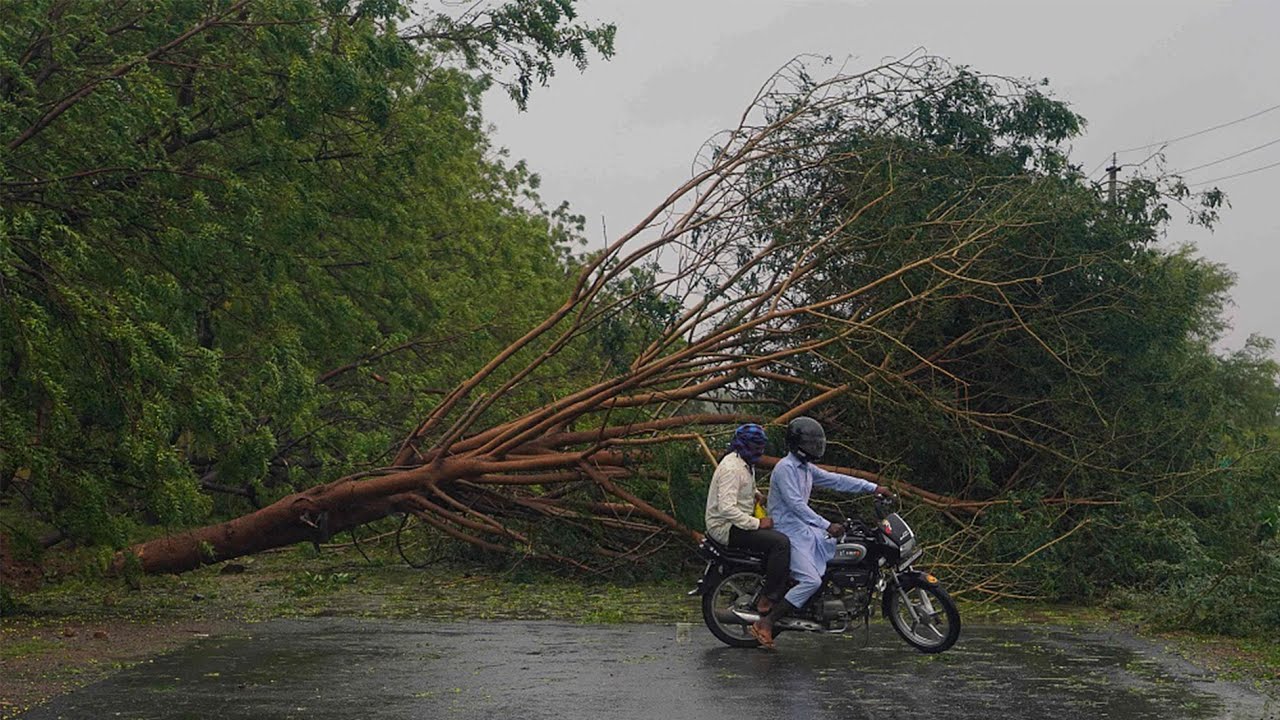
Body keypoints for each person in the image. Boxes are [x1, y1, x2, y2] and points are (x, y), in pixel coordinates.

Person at [761, 416, 889, 645]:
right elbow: (796, 505)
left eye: (817, 443)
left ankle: (824, 602)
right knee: (811, 581)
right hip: (788, 530)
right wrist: (826, 524)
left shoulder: (806, 469)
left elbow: (837, 480)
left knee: (840, 550)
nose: (815, 447)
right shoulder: (785, 468)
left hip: (803, 528)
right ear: (797, 444)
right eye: (811, 443)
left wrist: (872, 488)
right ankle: (767, 622)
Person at [703, 423, 791, 646]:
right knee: (780, 543)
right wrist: (757, 523)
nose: (760, 451)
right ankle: (767, 598)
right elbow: (727, 508)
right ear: (745, 445)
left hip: (737, 522)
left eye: (762, 446)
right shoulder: (732, 469)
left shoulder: (744, 463)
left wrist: (756, 494)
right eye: (756, 446)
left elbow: (742, 491)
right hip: (726, 528)